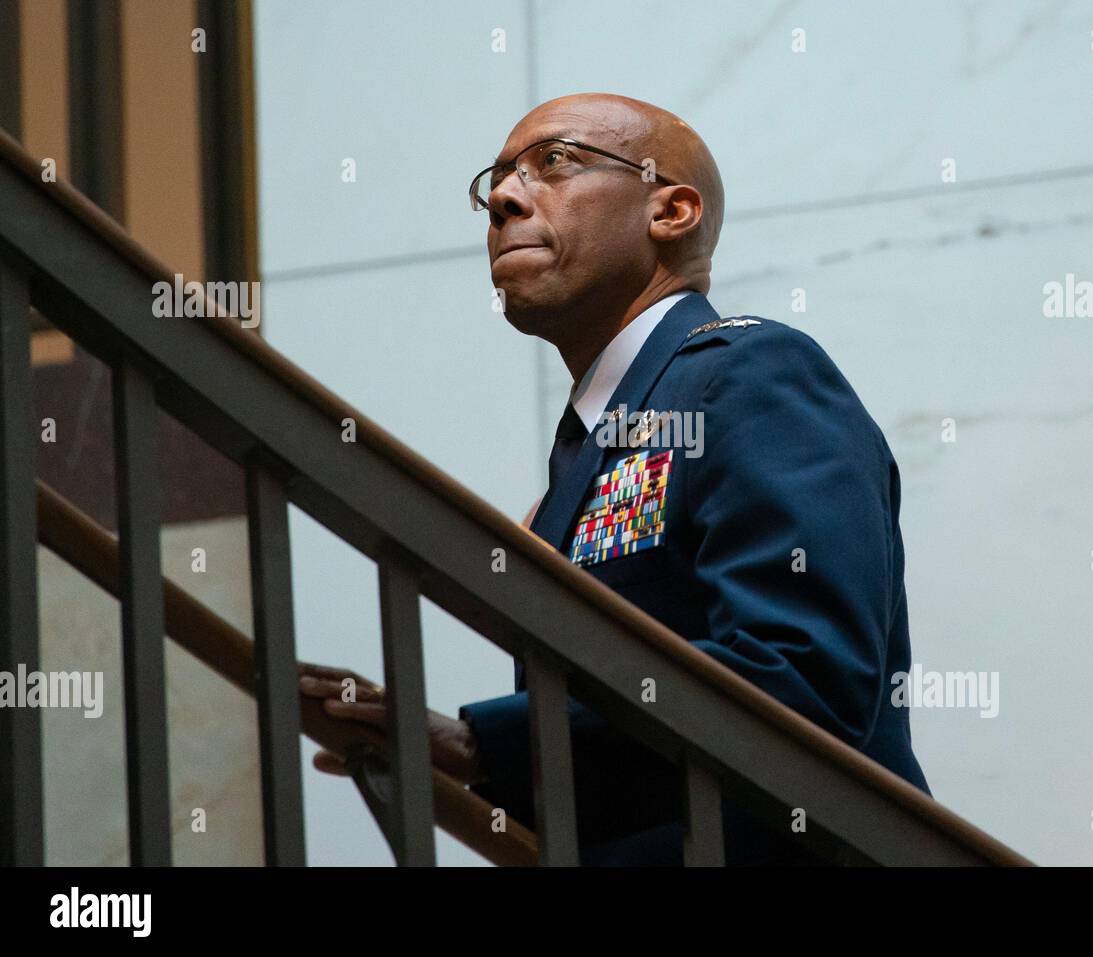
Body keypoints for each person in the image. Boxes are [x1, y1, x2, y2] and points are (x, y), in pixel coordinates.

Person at [301, 93, 928, 865]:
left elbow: (804, 680)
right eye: (494, 181)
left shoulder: (750, 372)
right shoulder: (591, 443)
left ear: (671, 210)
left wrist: (486, 744)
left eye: (553, 162)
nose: (501, 197)